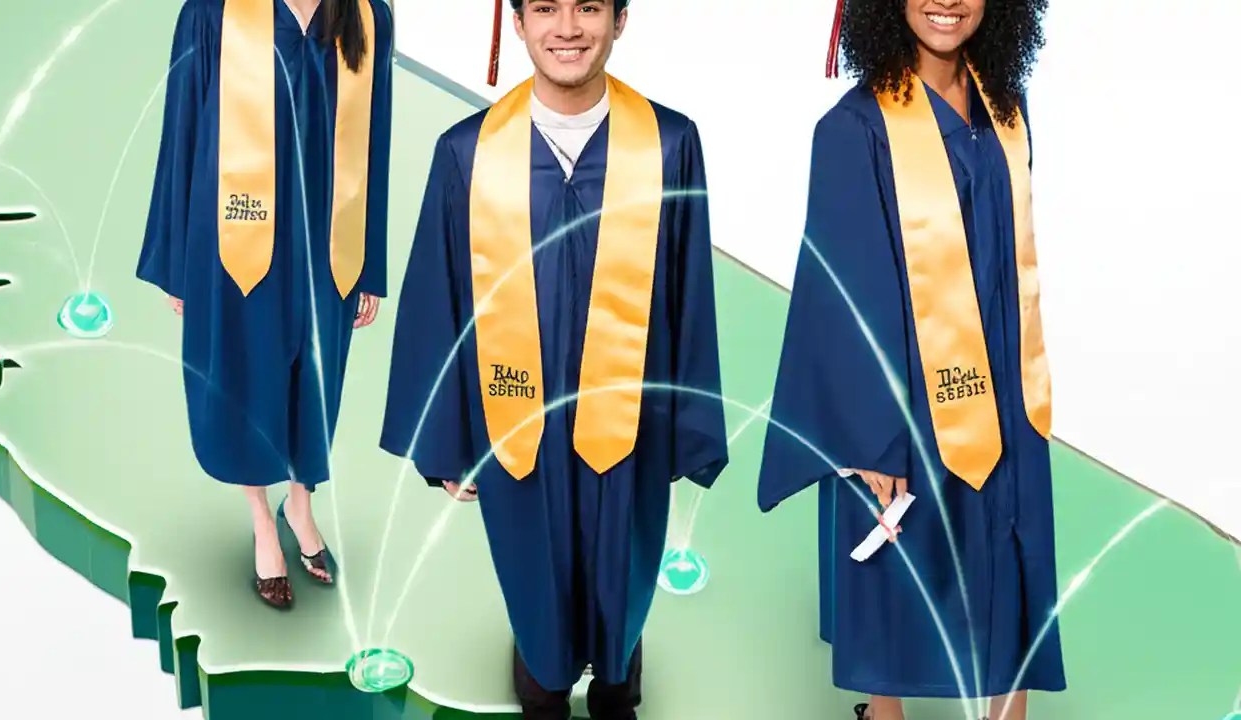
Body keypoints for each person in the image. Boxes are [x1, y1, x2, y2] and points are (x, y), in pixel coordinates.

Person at [379, 0, 728, 717]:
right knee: (534, 572)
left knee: (623, 568)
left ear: (621, 18)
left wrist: (685, 427)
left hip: (628, 418)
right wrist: (445, 444)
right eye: (546, 7)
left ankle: (617, 679)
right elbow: (436, 295)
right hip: (517, 422)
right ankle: (543, 679)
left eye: (589, 7)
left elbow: (691, 292)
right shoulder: (467, 153)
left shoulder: (668, 144)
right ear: (516, 20)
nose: (567, 27)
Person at [756, 1, 1063, 719]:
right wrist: (869, 434)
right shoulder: (855, 128)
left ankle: (1006, 709)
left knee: (1010, 543)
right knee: (896, 556)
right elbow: (842, 287)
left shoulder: (1005, 112)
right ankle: (883, 711)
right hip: (899, 394)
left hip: (1004, 384)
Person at [137, 0, 393, 610]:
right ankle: (260, 517)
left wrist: (371, 264)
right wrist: (178, 263)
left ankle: (300, 503)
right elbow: (183, 129)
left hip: (328, 244)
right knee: (244, 381)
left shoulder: (369, 15)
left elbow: (375, 140)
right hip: (234, 241)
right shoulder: (210, 13)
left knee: (315, 382)